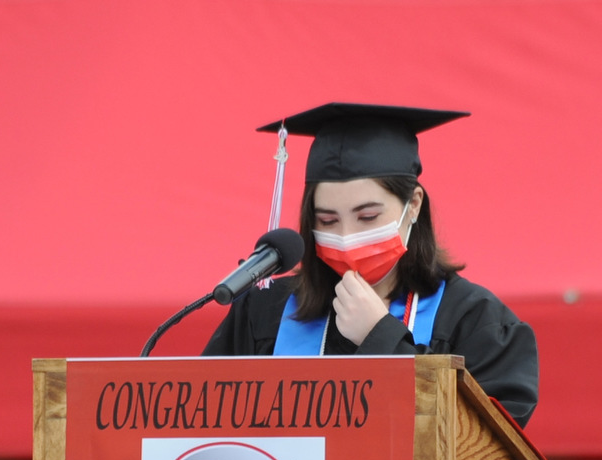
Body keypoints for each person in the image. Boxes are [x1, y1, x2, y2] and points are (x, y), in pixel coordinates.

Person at [202, 103, 539, 428]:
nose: (347, 237)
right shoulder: (266, 310)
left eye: (367, 217)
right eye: (328, 220)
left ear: (413, 205)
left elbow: (485, 443)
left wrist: (382, 338)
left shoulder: (474, 319)